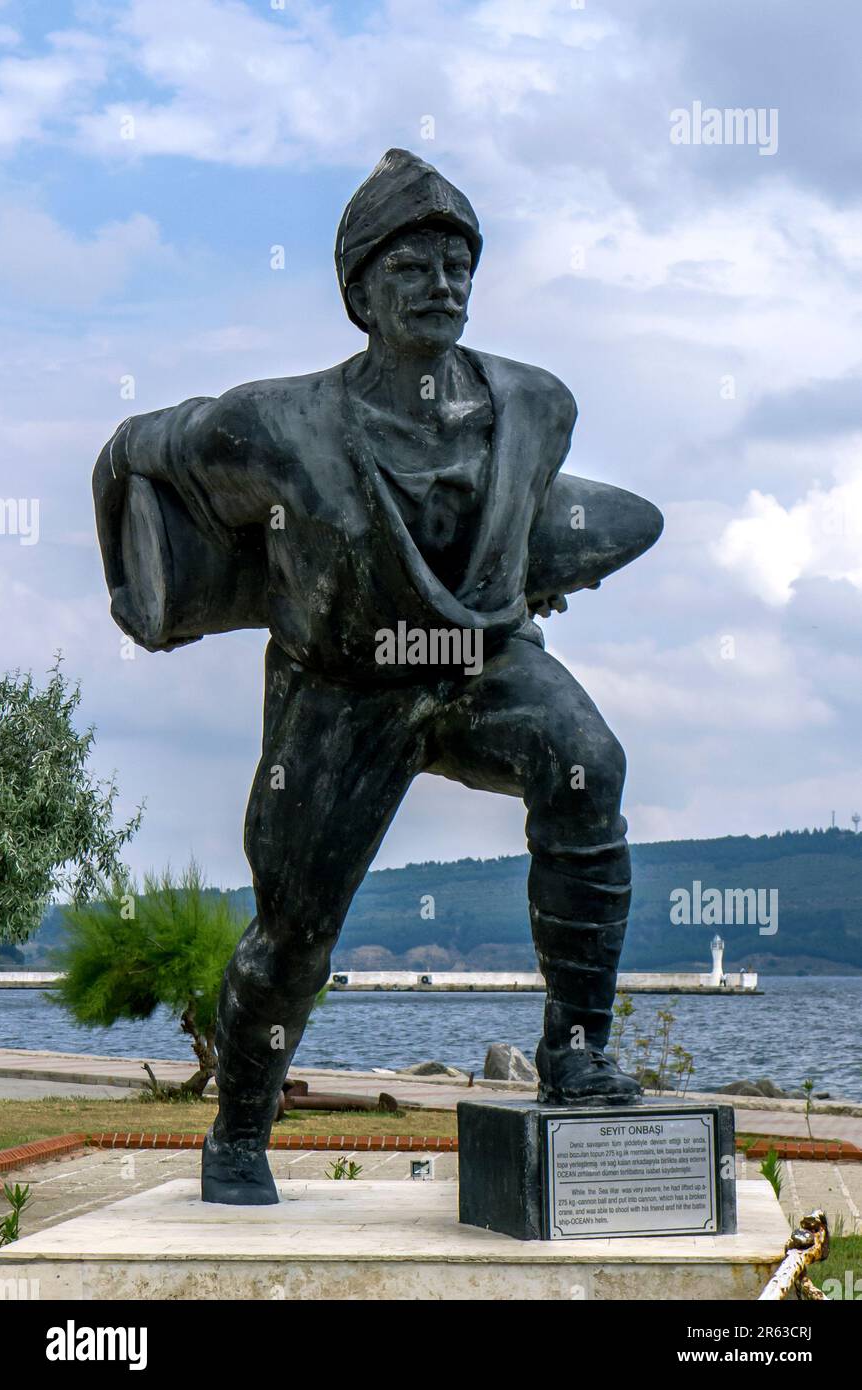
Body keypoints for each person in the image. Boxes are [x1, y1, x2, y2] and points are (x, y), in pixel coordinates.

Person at [93, 149, 662, 1204]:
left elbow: (542, 516)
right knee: (294, 935)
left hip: (480, 669)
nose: (442, 281)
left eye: (458, 262)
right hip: (339, 694)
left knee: (587, 761)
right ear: (357, 292)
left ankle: (576, 1047)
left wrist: (537, 571)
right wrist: (153, 595)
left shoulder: (539, 405)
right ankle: (238, 1128)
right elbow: (135, 449)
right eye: (412, 264)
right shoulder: (265, 423)